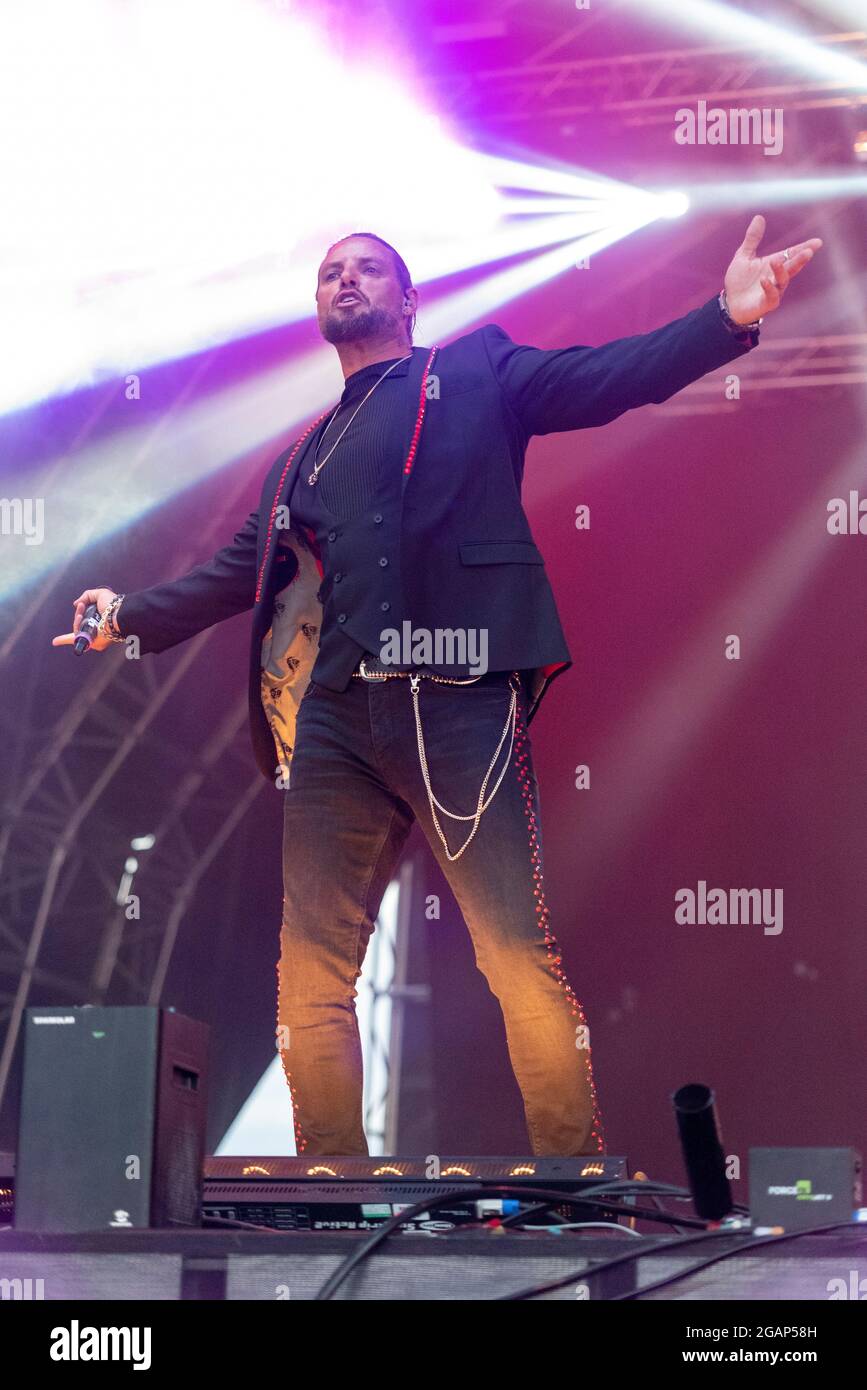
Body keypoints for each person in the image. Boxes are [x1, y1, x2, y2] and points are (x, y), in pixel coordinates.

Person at [53, 217, 822, 1156]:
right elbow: (231, 574)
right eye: (331, 272)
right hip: (336, 717)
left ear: (408, 298)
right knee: (310, 979)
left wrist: (722, 319)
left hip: (455, 693)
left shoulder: (475, 373)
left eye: (369, 268)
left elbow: (607, 376)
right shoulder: (300, 458)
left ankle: (571, 1183)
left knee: (512, 952)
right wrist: (125, 614)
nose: (347, 280)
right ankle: (334, 1184)